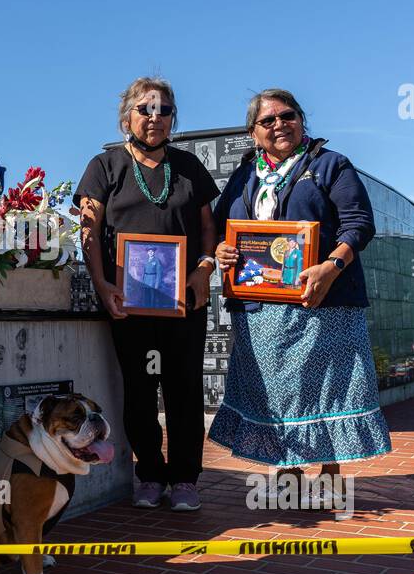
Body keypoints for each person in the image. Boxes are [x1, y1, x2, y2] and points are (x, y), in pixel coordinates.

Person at [210, 89, 391, 499]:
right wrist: (221, 249)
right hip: (260, 309)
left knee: (327, 388)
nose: (279, 125)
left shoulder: (329, 164)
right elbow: (223, 228)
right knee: (277, 394)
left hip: (322, 301)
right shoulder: (242, 177)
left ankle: (328, 478)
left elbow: (358, 223)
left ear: (302, 119)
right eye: (267, 121)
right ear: (253, 133)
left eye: (287, 116)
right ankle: (287, 477)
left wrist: (332, 266)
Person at [75, 78, 219, 510]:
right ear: (127, 117)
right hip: (129, 305)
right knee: (139, 391)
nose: (155, 117)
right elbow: (89, 230)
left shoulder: (189, 167)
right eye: (145, 109)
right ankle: (150, 474)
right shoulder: (104, 166)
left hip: (184, 303)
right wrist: (102, 285)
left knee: (185, 391)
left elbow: (209, 227)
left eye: (164, 110)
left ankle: (186, 480)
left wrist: (204, 269)